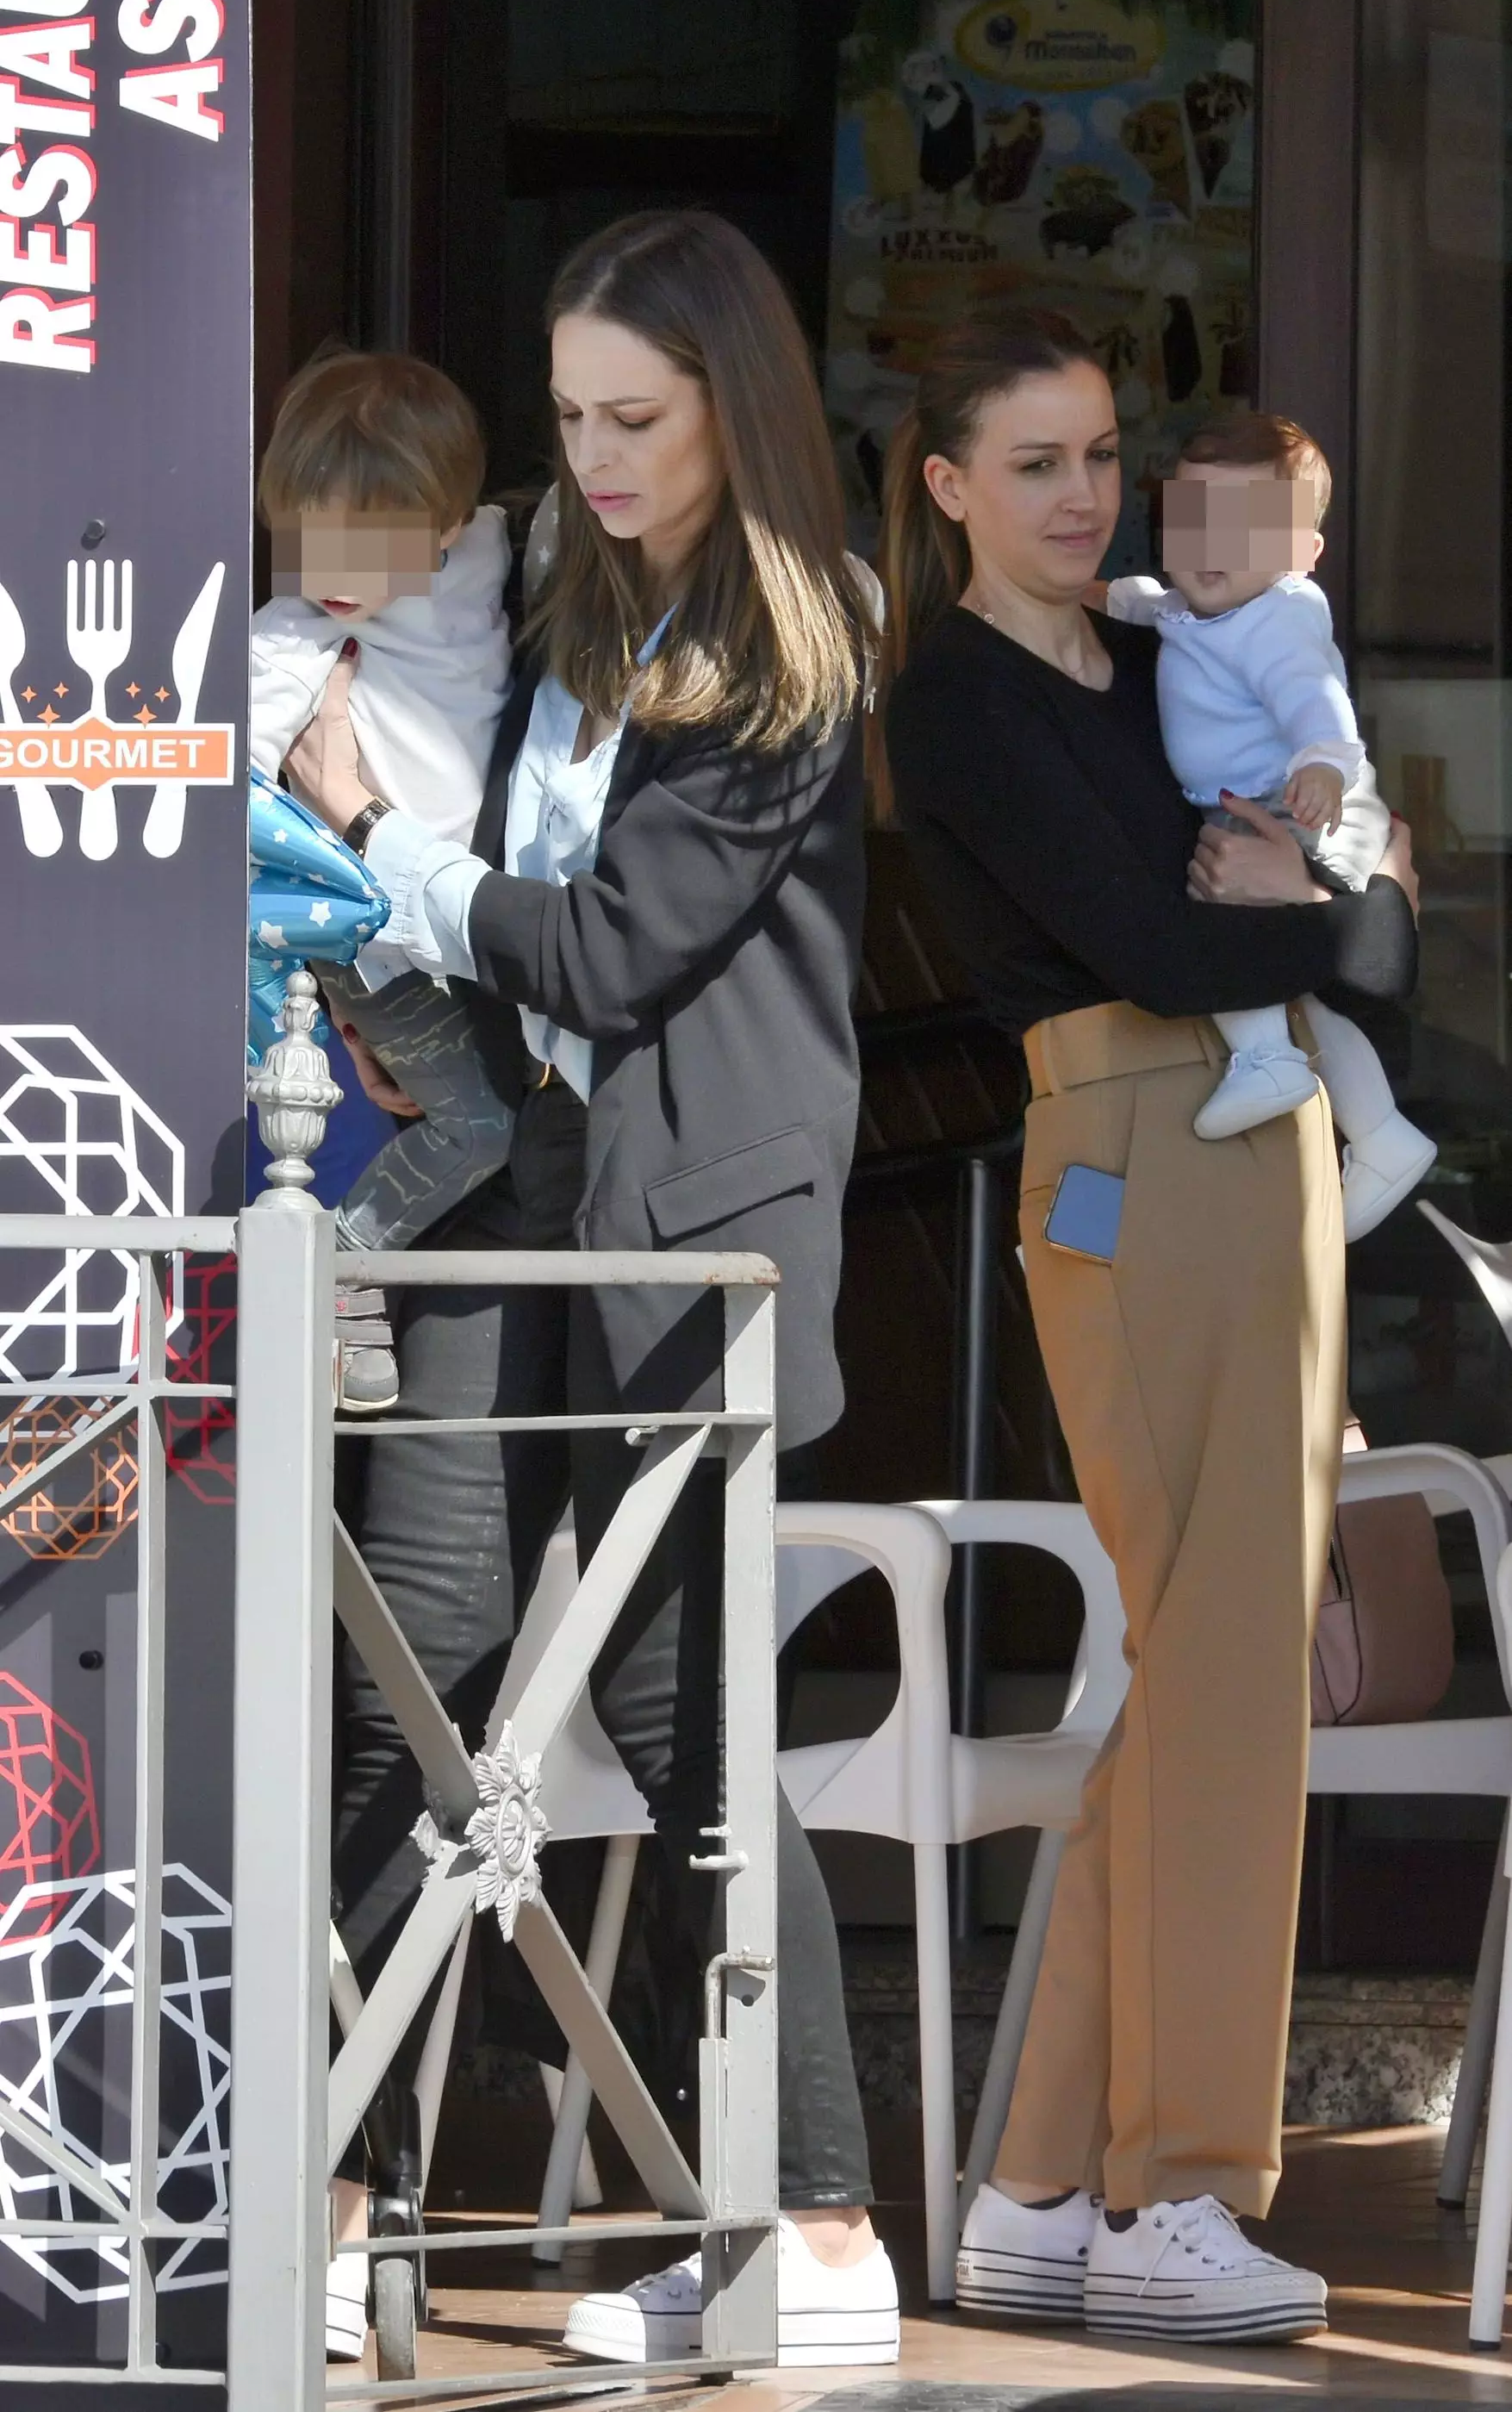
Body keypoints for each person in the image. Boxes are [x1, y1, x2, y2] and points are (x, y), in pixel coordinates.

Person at [285, 209, 900, 2371]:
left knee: (685, 1724)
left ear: (734, 399)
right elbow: (344, 574)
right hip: (506, 1197)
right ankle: (325, 2187)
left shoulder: (798, 626)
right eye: (568, 417)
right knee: (413, 1661)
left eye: (633, 416)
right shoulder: (551, 573)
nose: (597, 456)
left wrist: (372, 856)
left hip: (692, 1236)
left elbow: (617, 948)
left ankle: (811, 2223)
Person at [880, 302, 1419, 2346]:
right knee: (1221, 1668)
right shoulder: (957, 696)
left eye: (1096, 455)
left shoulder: (1130, 659)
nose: (1080, 495)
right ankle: (1173, 2184)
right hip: (1136, 1124)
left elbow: (1314, 858)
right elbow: (1159, 930)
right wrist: (1330, 911)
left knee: (1199, 1662)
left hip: (1215, 1120)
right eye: (1032, 462)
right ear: (942, 486)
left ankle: (1041, 2180)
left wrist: (1318, 896)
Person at [251, 350, 516, 1412]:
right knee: (481, 1126)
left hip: (462, 934)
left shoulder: (496, 554)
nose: (338, 566)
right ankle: (334, 1273)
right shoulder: (298, 639)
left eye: (376, 534)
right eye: (310, 535)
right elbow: (218, 784)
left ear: (450, 525)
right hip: (376, 939)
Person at [1095, 408, 1434, 1236]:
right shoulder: (1189, 608)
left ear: (1298, 555)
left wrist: (1320, 760)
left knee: (1228, 918)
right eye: (1194, 519)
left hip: (1301, 800)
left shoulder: (1281, 612)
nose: (1212, 548)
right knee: (1311, 995)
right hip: (1272, 805)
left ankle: (1266, 1060)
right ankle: (1382, 1133)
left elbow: (1311, 693)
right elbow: (1138, 602)